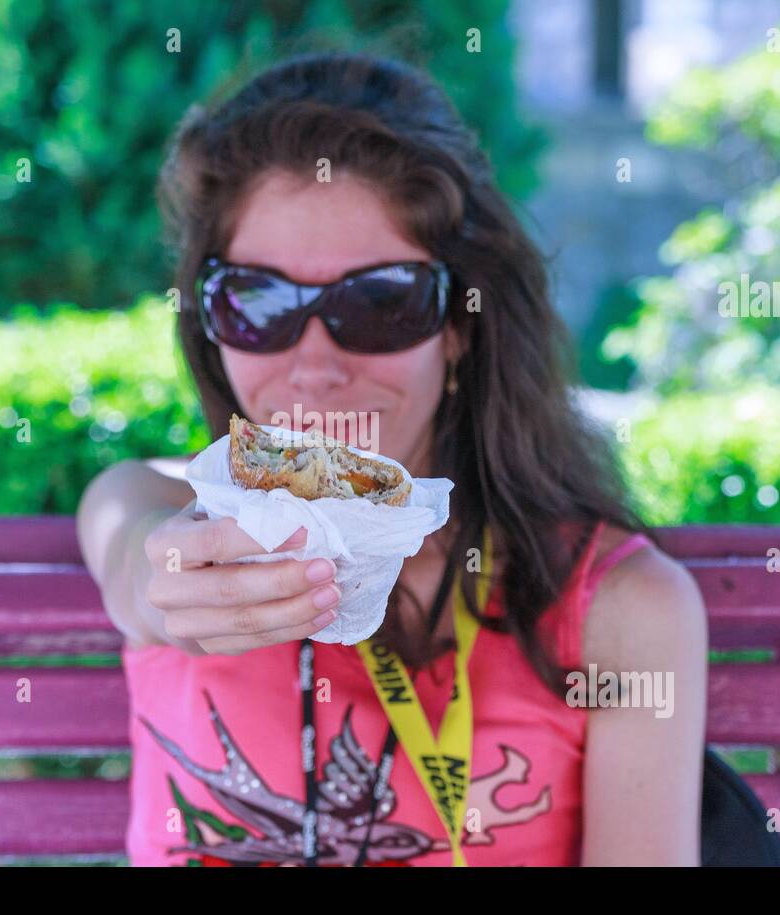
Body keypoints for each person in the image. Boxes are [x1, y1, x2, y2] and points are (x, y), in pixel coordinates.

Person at [76, 51, 708, 866]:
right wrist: (171, 588)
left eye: (380, 301)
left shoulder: (622, 607)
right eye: (258, 301)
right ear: (209, 325)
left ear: (460, 327)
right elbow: (137, 559)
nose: (314, 364)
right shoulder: (154, 506)